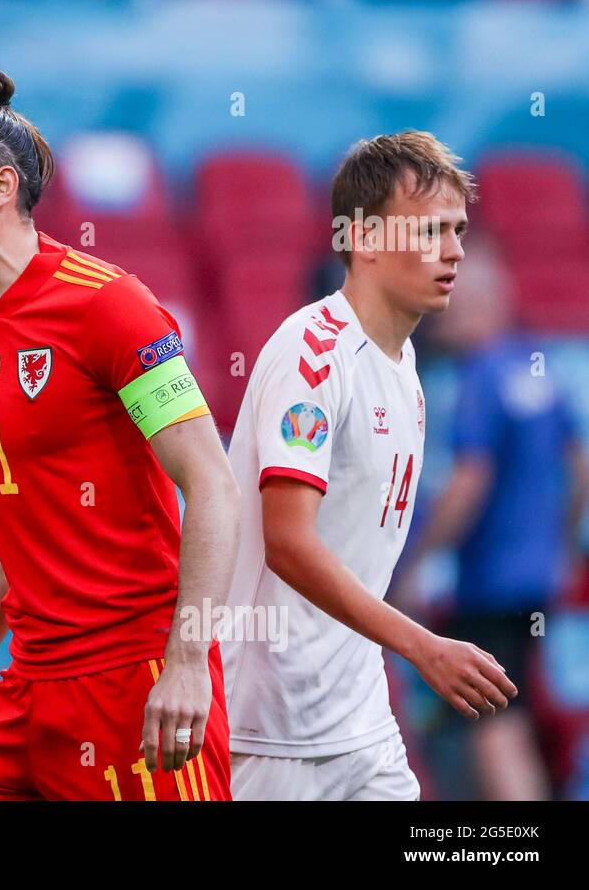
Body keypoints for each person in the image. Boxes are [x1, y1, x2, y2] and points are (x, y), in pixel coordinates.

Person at [0, 72, 241, 801]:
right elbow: (12, 527)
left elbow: (213, 486)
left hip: (134, 681)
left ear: (0, 188)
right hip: (27, 687)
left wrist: (188, 660)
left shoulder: (111, 305)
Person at [221, 131, 517, 801]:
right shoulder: (312, 354)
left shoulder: (407, 369)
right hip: (275, 731)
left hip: (360, 723)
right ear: (364, 238)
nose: (455, 251)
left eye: (459, 230)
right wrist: (422, 645)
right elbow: (289, 543)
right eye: (430, 231)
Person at [399, 246, 588, 800]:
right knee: (515, 703)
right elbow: (578, 470)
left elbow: (469, 481)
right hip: (536, 581)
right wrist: (561, 545)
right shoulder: (539, 369)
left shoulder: (480, 376)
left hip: (489, 583)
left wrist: (423, 556)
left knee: (490, 718)